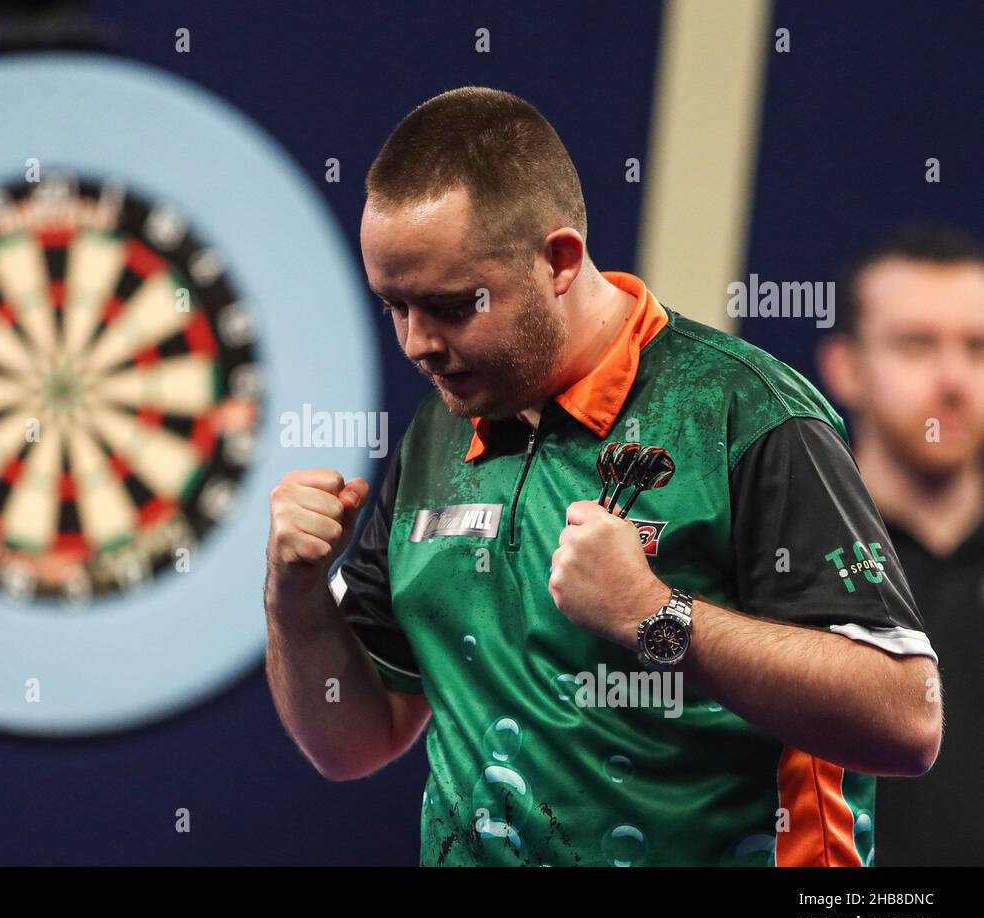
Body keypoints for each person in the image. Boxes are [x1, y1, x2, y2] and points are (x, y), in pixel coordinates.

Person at [264, 86, 941, 866]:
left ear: (559, 260)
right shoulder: (438, 426)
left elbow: (908, 718)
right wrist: (295, 598)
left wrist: (658, 616)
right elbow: (355, 739)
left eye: (452, 306)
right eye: (395, 306)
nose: (417, 343)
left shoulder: (745, 412)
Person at [816, 224, 984, 866]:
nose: (953, 380)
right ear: (845, 368)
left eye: (976, 347)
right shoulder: (787, 565)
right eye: (917, 345)